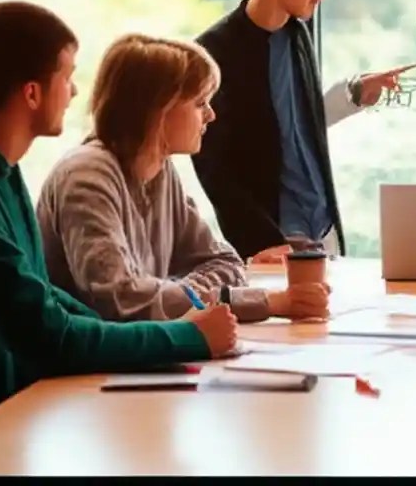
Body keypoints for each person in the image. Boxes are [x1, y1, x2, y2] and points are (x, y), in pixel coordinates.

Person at [0, 2, 237, 475]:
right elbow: (46, 336)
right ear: (33, 93)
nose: (75, 91)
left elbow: (44, 296)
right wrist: (185, 336)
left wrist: (171, 333)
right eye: (68, 75)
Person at [37, 34, 330, 324]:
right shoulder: (87, 177)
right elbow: (121, 300)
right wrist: (257, 301)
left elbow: (225, 263)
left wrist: (180, 296)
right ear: (158, 109)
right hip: (90, 355)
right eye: (201, 103)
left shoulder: (160, 170)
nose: (211, 115)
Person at [193, 0, 415, 263]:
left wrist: (354, 94)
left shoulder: (298, 34)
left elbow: (293, 123)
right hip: (274, 242)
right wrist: (260, 242)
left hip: (323, 229)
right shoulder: (215, 51)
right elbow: (213, 169)